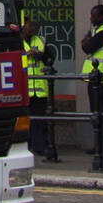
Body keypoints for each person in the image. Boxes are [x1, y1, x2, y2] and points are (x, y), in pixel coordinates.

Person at [23, 21, 57, 161]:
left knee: (40, 120)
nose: (32, 28)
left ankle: (40, 146)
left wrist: (40, 54)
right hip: (24, 89)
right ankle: (28, 146)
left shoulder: (40, 40)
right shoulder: (17, 42)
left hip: (39, 88)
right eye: (29, 26)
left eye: (32, 26)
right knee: (27, 121)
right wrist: (27, 54)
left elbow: (50, 58)